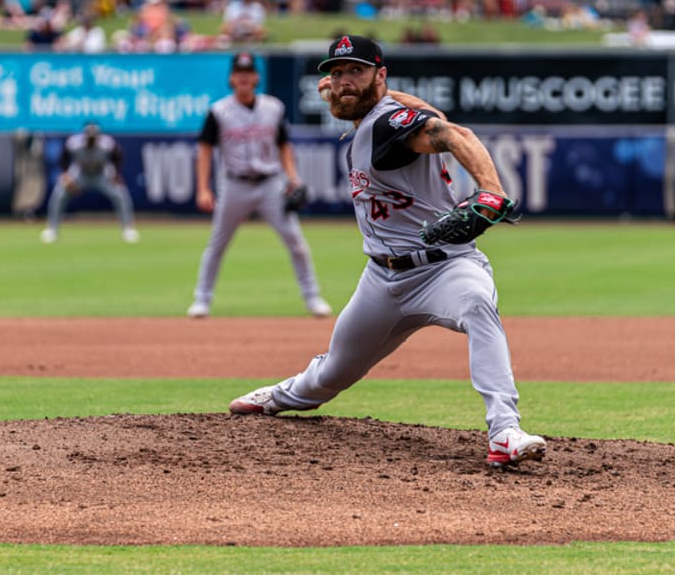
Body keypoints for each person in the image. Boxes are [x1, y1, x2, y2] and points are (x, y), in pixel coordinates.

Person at [227, 34, 545, 467]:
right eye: (336, 74)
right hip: (381, 279)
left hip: (444, 268)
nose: (342, 82)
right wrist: (355, 88)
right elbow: (424, 114)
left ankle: (505, 430)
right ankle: (283, 396)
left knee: (475, 304)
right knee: (333, 372)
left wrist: (491, 191)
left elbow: (452, 133)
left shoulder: (386, 125)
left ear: (381, 75)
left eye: (355, 71)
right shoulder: (370, 113)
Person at [188, 51, 329, 319]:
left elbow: (284, 146)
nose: (243, 77)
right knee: (217, 244)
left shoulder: (273, 107)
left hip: (270, 184)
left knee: (295, 241)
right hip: (234, 184)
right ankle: (202, 300)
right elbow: (204, 149)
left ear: (256, 77)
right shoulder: (218, 111)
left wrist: (293, 177)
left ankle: (312, 297)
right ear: (231, 78)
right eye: (239, 73)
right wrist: (203, 188)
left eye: (248, 73)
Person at [40, 121, 139, 244]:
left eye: (94, 136)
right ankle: (52, 229)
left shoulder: (107, 143)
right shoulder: (74, 143)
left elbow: (117, 157)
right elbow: (63, 158)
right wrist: (66, 175)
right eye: (89, 136)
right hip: (80, 173)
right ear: (84, 135)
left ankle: (127, 229)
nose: (91, 139)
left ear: (98, 135)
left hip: (101, 174)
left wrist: (116, 174)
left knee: (120, 194)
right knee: (59, 193)